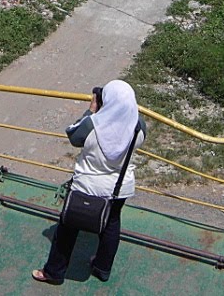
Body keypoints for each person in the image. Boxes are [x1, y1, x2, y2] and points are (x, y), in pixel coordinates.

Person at [32, 80, 146, 285]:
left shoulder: (92, 125)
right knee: (111, 225)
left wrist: (91, 111)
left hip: (88, 186)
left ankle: (54, 272)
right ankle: (102, 269)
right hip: (120, 188)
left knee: (67, 228)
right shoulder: (139, 127)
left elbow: (73, 135)